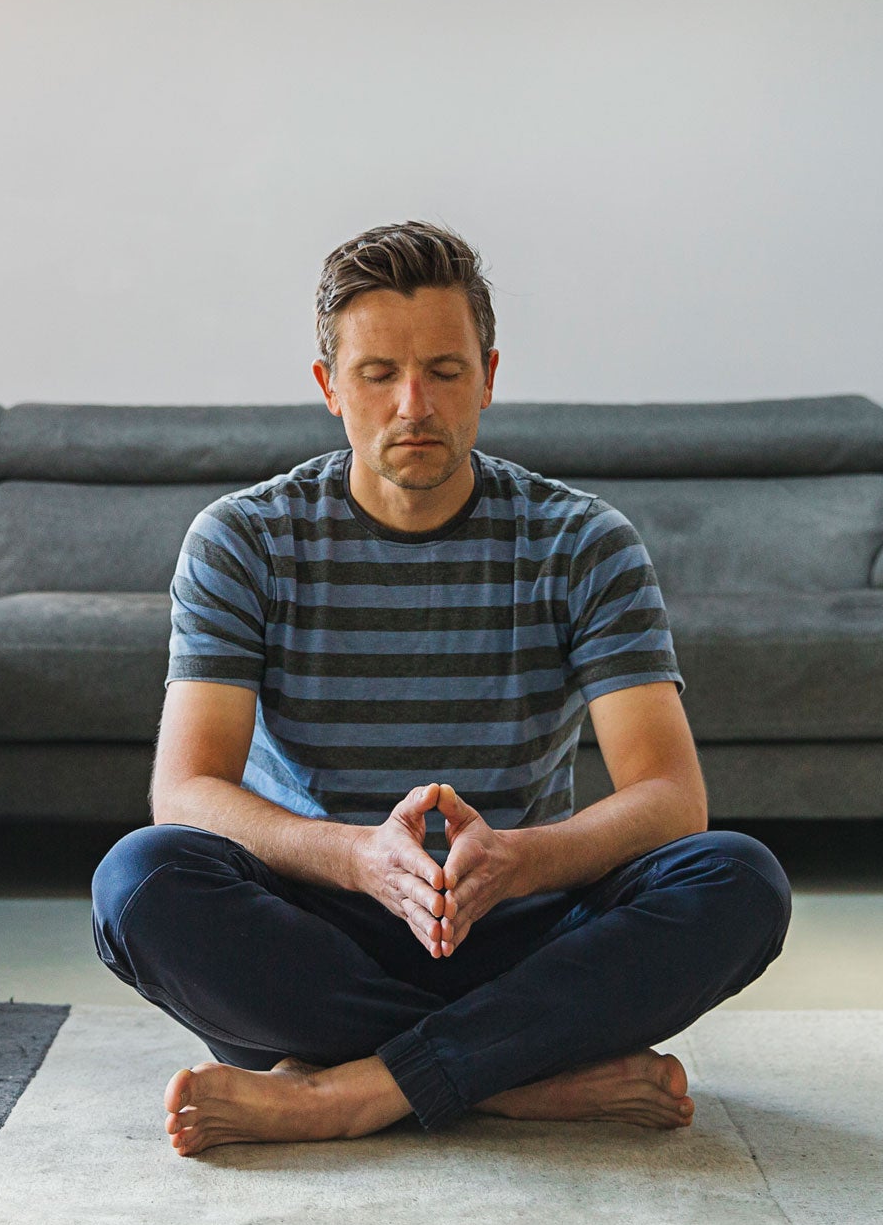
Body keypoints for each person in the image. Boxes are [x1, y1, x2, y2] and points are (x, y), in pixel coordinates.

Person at [90, 221, 792, 1155]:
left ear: (490, 378)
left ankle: (346, 1091)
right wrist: (356, 860)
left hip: (520, 925)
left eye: (446, 371)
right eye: (378, 373)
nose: (412, 403)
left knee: (741, 879)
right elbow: (185, 791)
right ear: (329, 387)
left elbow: (673, 799)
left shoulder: (583, 543)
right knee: (138, 881)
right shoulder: (243, 540)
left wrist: (520, 861)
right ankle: (517, 1077)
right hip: (319, 932)